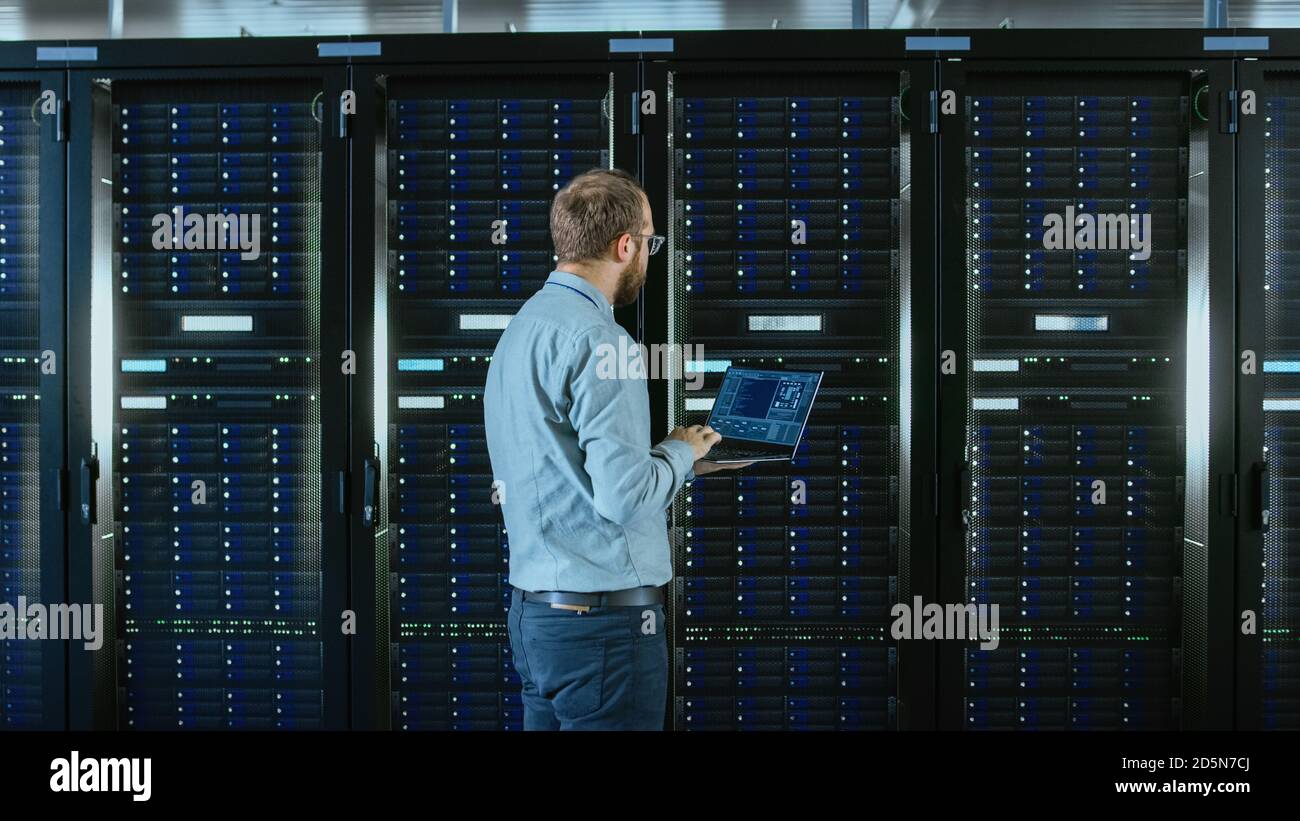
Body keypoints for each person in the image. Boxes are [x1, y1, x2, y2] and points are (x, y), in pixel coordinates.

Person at [483, 168, 748, 730]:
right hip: (602, 628)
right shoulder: (602, 341)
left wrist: (681, 464)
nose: (649, 253)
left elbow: (569, 471)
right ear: (625, 245)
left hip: (536, 617)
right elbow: (623, 500)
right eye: (650, 241)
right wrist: (678, 452)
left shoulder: (522, 328)